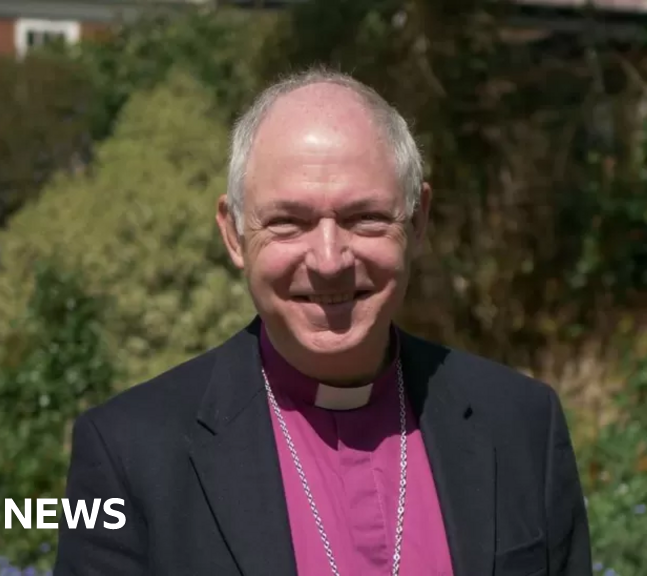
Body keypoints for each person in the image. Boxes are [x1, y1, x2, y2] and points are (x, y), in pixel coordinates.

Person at [54, 67, 592, 576]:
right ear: (234, 234)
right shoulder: (129, 453)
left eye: (365, 218)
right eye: (289, 222)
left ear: (419, 220)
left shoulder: (522, 425)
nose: (330, 259)